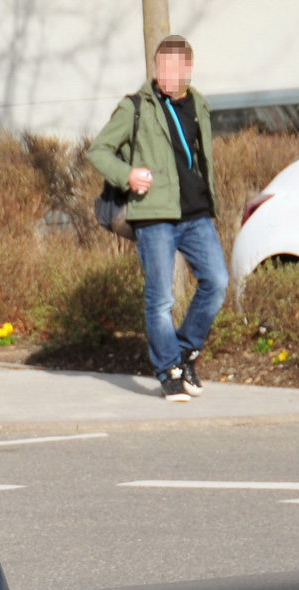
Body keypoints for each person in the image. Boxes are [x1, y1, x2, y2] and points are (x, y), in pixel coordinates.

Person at [86, 34, 226, 402]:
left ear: (188, 69)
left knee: (218, 281)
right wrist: (127, 175)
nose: (167, 74)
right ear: (155, 68)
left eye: (175, 68)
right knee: (160, 299)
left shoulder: (199, 104)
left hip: (196, 214)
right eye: (161, 67)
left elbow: (201, 158)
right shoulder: (136, 106)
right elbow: (99, 151)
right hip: (153, 216)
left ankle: (184, 351)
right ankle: (168, 370)